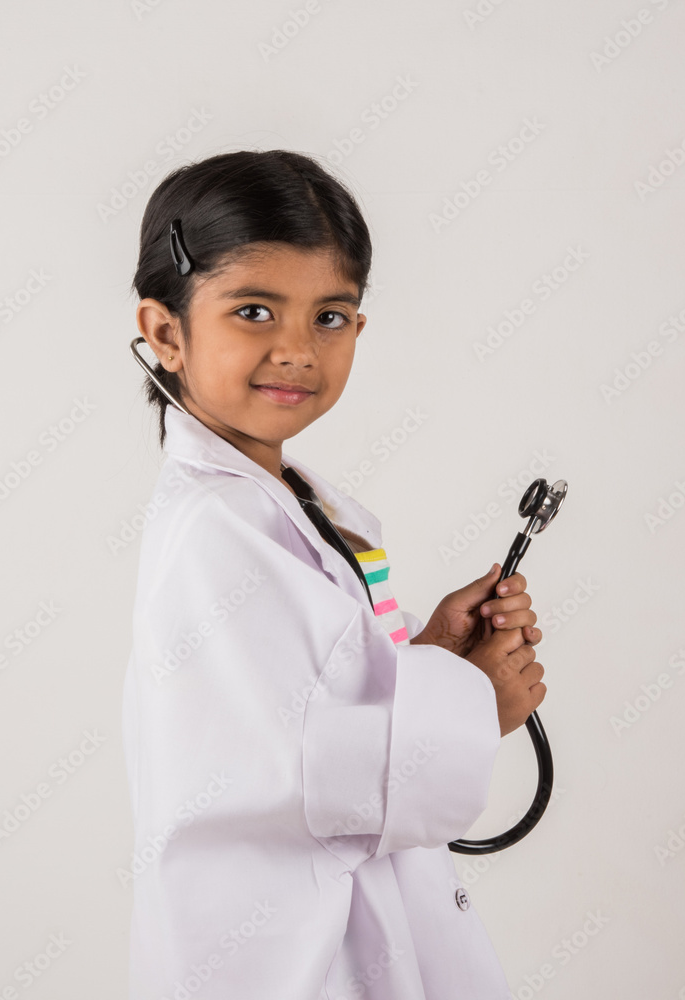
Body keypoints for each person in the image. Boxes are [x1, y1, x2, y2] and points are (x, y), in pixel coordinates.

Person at [121, 148, 545, 1000]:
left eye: (330, 317)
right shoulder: (215, 530)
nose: (296, 350)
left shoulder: (290, 501)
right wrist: (474, 704)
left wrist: (432, 653)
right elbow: (301, 770)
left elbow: (315, 693)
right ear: (166, 334)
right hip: (282, 961)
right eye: (253, 311)